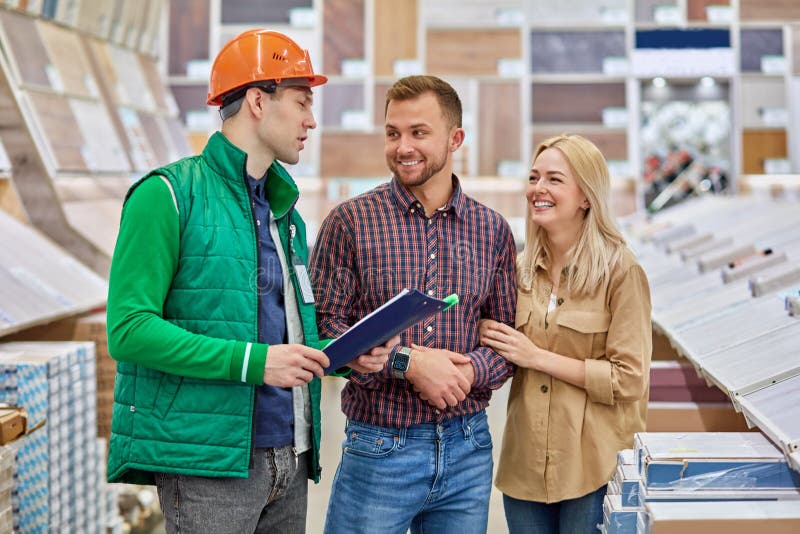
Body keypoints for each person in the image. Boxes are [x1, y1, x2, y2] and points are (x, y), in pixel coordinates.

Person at [105, 29, 392, 534]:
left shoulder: (286, 213)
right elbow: (128, 329)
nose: (312, 120)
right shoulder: (167, 195)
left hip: (291, 456)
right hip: (208, 465)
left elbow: (285, 339)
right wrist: (254, 361)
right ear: (258, 101)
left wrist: (343, 355)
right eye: (302, 102)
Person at [311, 75, 517, 534]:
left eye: (418, 132)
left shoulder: (492, 231)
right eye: (392, 133)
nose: (403, 146)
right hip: (378, 446)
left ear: (455, 138)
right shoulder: (350, 223)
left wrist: (465, 373)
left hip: (469, 448)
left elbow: (506, 343)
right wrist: (408, 363)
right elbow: (324, 333)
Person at [480, 134, 652, 533]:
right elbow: (501, 350)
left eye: (554, 180)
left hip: (593, 468)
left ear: (586, 197)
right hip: (524, 467)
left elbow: (629, 379)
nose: (538, 189)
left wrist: (536, 356)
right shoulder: (518, 271)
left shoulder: (621, 272)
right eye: (534, 177)